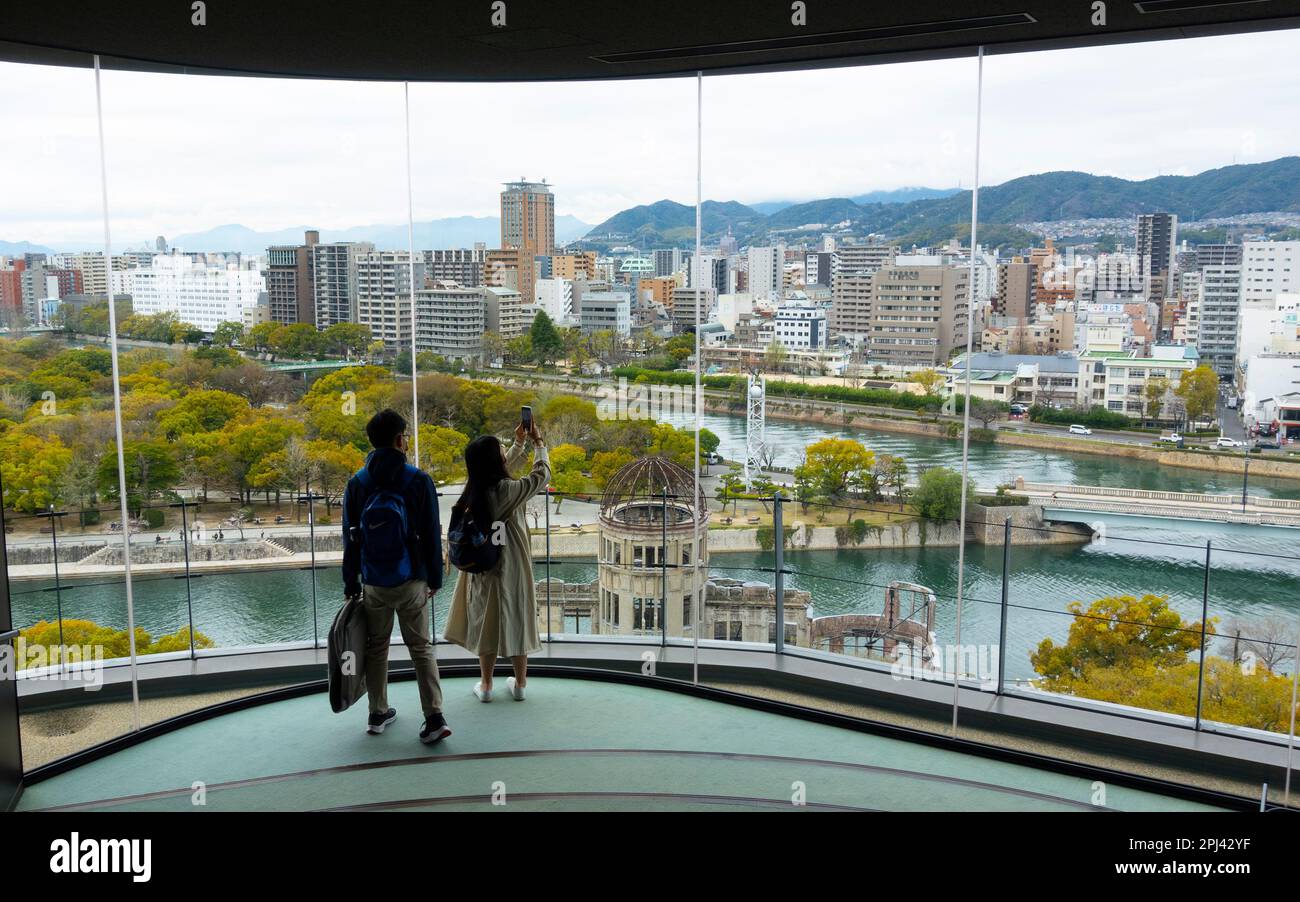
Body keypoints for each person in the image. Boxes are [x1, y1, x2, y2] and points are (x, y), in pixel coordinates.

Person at [341, 408, 450, 745]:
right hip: (412, 578)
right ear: (401, 439)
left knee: (377, 648)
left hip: (374, 580)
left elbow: (350, 538)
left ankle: (377, 713)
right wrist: (435, 577)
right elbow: (432, 533)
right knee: (421, 648)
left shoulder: (357, 483)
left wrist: (350, 582)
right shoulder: (418, 480)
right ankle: (434, 717)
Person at [444, 417, 549, 702]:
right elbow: (541, 476)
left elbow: (499, 470)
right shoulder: (508, 491)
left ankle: (487, 685)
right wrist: (538, 443)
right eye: (502, 450)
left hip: (482, 560)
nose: (506, 454)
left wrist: (518, 444)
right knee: (517, 613)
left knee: (485, 616)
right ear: (495, 460)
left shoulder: (476, 487)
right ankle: (520, 685)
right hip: (512, 559)